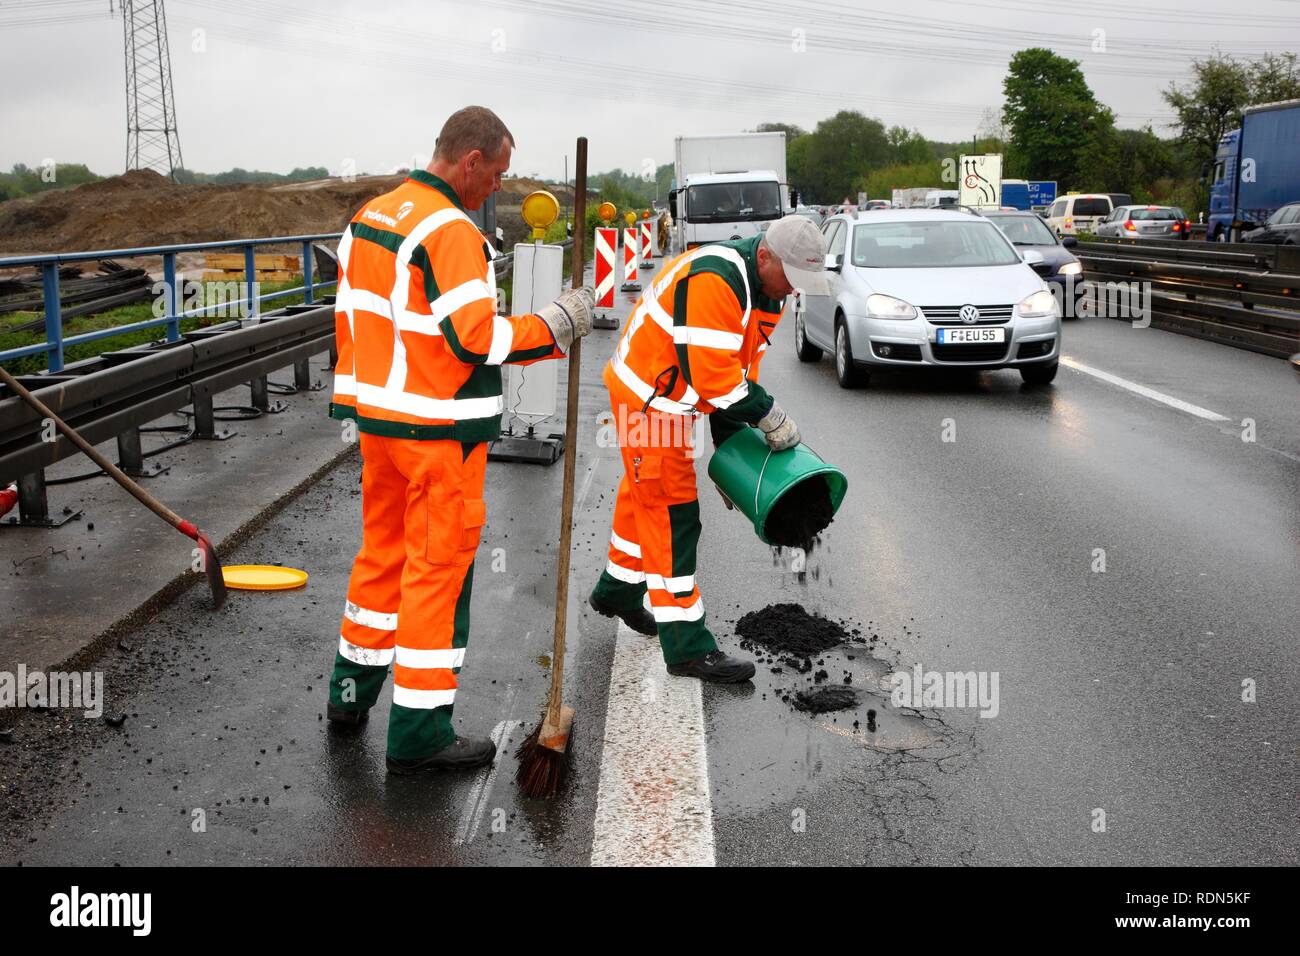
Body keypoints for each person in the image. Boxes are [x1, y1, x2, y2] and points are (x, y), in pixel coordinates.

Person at [326, 106, 595, 773]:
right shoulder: (451, 232)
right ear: (470, 160)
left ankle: (349, 694)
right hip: (438, 433)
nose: (497, 189)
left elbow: (363, 322)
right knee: (436, 574)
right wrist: (557, 324)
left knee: (382, 558)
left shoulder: (372, 216)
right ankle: (419, 734)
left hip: (379, 424)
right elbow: (478, 339)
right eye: (497, 173)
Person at [587, 216, 829, 681]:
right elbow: (716, 380)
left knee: (643, 496)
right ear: (765, 256)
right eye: (793, 279)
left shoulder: (768, 291)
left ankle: (617, 587)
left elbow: (738, 371)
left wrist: (731, 447)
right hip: (650, 402)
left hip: (675, 398)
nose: (796, 291)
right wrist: (769, 416)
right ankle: (687, 648)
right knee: (672, 514)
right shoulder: (717, 281)